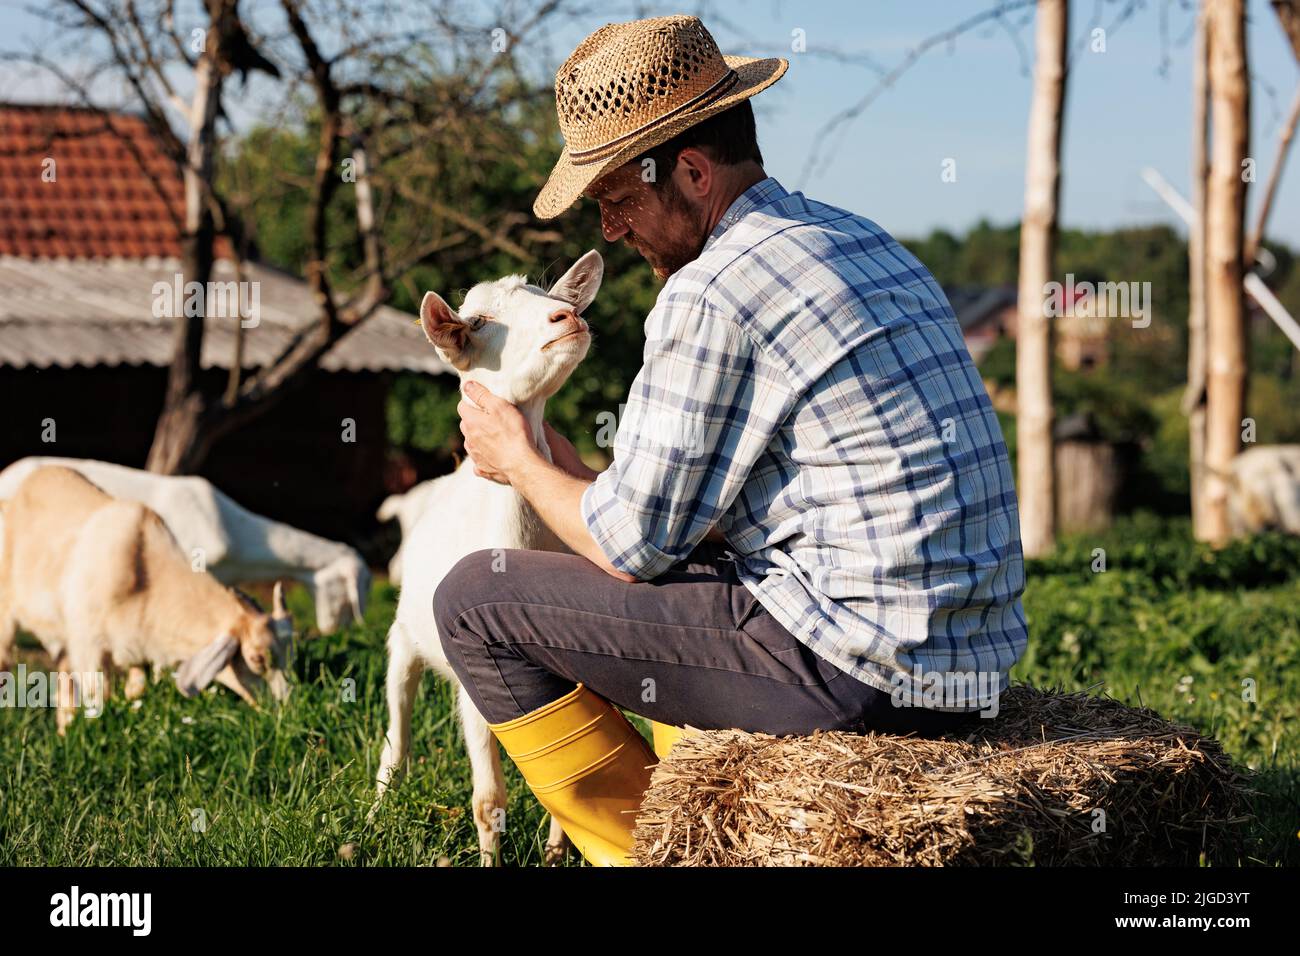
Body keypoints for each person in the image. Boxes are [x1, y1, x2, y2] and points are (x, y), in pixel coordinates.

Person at [435, 14, 1027, 866]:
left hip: (860, 674)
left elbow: (633, 546)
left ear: (692, 171)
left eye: (618, 201)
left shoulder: (711, 291)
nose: (610, 231)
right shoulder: (867, 241)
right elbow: (671, 514)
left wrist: (519, 462)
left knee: (474, 599)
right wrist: (562, 468)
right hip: (969, 669)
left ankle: (645, 852)